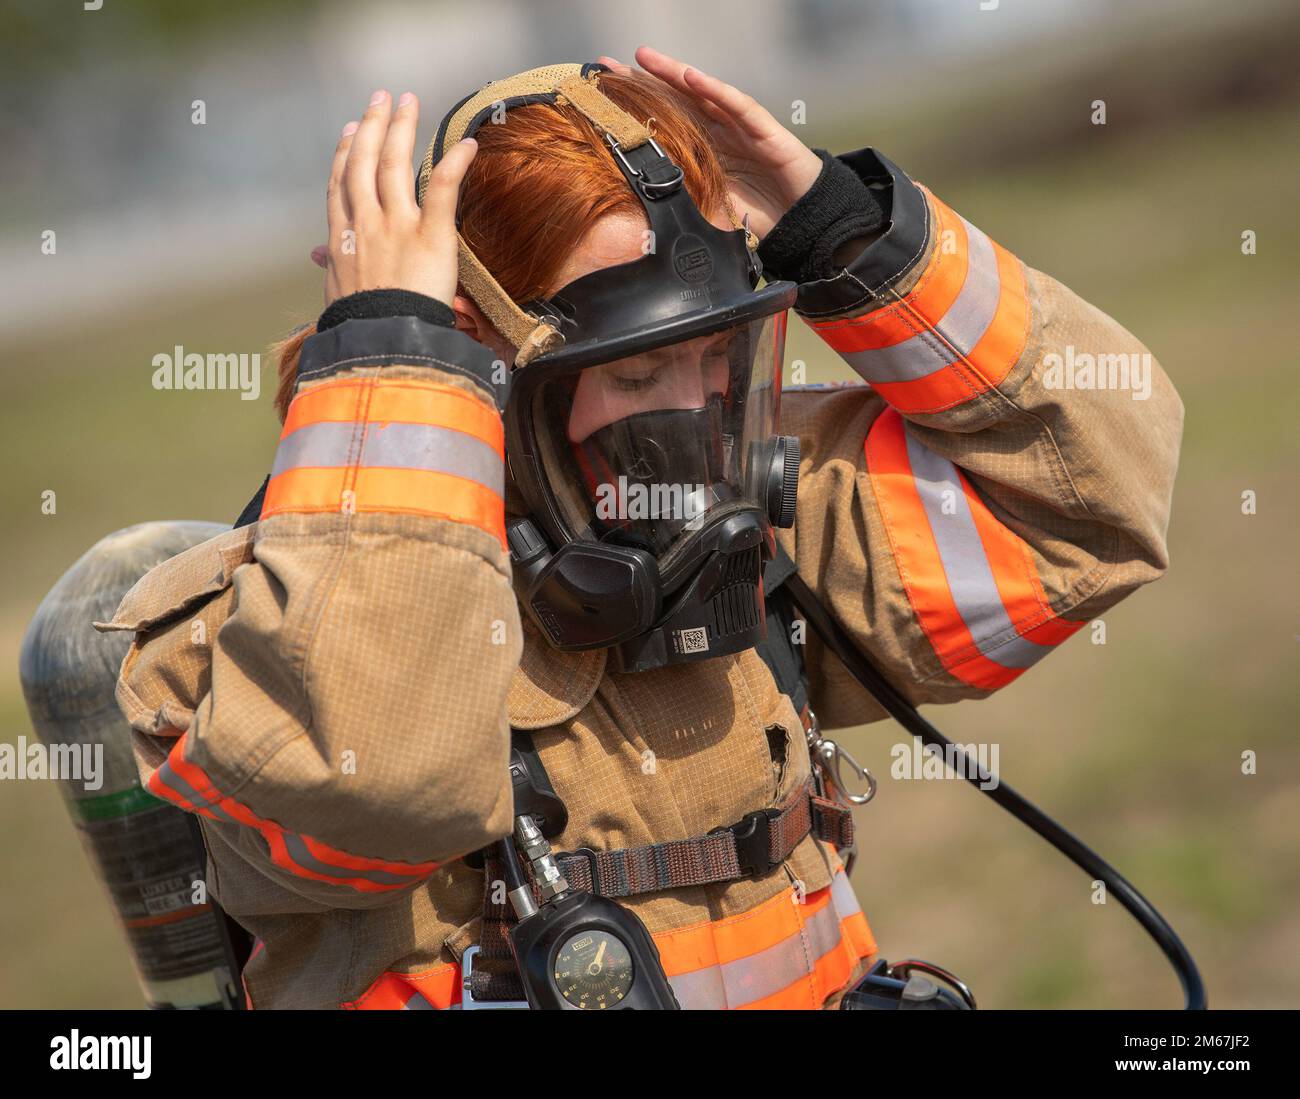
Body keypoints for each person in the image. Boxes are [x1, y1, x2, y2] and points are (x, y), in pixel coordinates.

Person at [101, 48, 1183, 1009]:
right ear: (488, 369)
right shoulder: (258, 643)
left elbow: (1089, 506)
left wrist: (851, 236)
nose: (696, 420)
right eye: (634, 371)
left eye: (718, 360)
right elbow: (379, 782)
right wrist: (395, 364)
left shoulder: (761, 556)